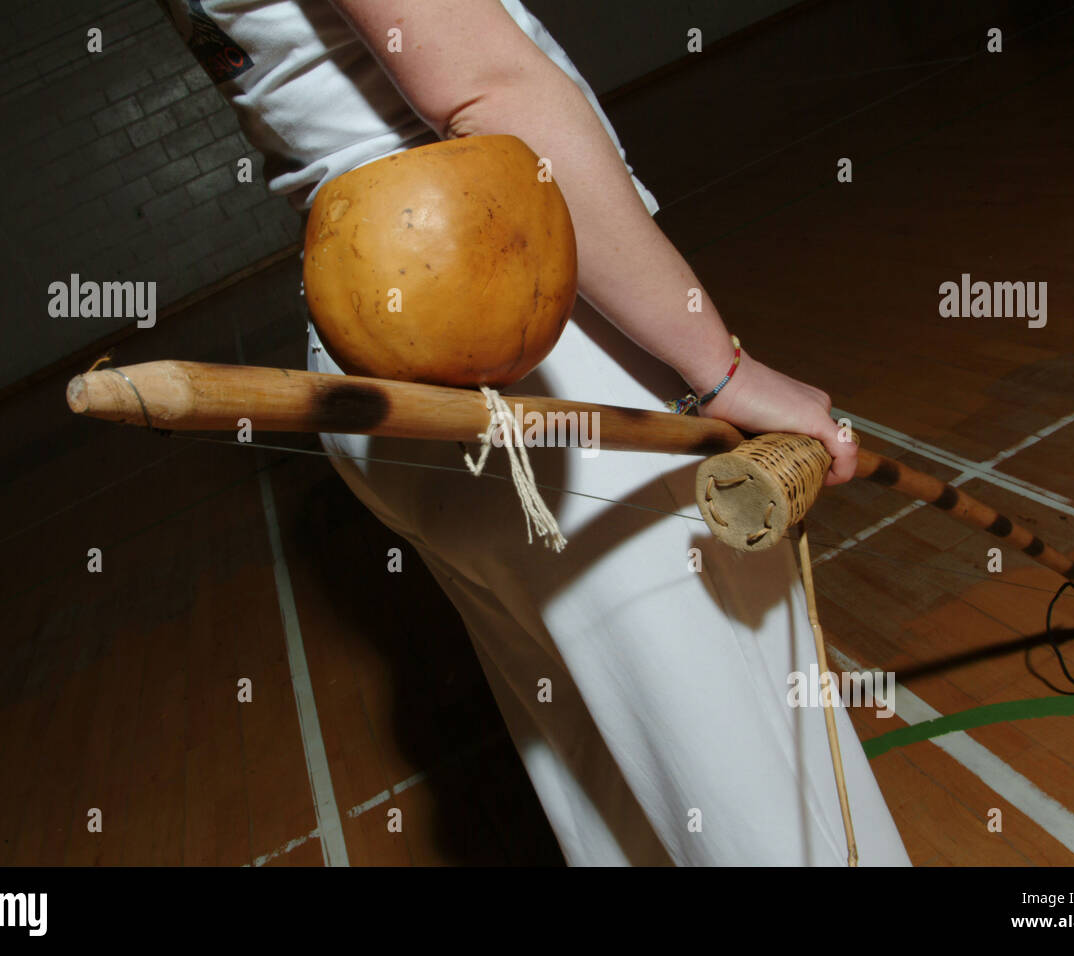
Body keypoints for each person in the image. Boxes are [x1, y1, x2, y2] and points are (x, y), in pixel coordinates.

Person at [161, 0, 909, 865]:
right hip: (516, 320)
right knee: (759, 803)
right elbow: (487, 88)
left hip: (380, 352)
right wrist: (725, 371)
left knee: (620, 793)